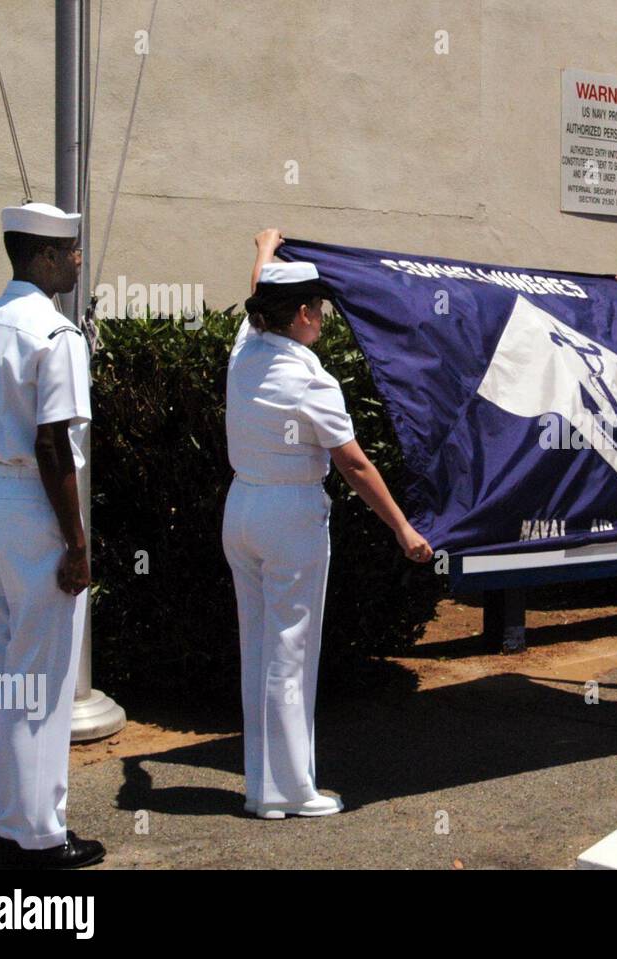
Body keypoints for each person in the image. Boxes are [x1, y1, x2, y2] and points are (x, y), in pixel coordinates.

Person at [224, 228, 433, 819]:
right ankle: (291, 791)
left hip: (242, 508)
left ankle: (262, 789)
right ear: (300, 316)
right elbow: (355, 463)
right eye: (316, 310)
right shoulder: (310, 378)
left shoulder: (247, 350)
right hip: (289, 515)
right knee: (290, 652)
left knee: (259, 649)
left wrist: (263, 249)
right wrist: (402, 528)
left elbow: (255, 298)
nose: (321, 319)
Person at [0, 202, 104, 869]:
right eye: (70, 251)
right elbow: (51, 445)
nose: (76, 260)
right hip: (34, 506)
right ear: (44, 257)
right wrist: (75, 543)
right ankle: (38, 834)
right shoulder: (54, 334)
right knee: (40, 681)